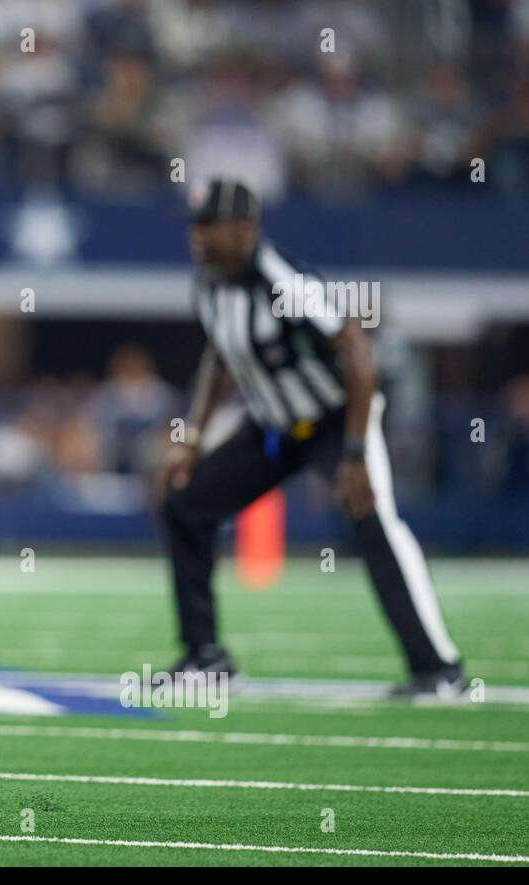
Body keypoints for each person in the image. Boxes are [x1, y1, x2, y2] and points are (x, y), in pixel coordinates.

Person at [157, 177, 464, 698]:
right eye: (195, 225)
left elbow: (358, 352)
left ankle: (439, 668)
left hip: (334, 419)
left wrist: (356, 450)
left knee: (372, 522)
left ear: (244, 228)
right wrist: (192, 438)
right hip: (275, 427)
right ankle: (206, 656)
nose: (198, 236)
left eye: (209, 225)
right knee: (185, 503)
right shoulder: (209, 284)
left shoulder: (283, 282)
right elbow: (219, 359)